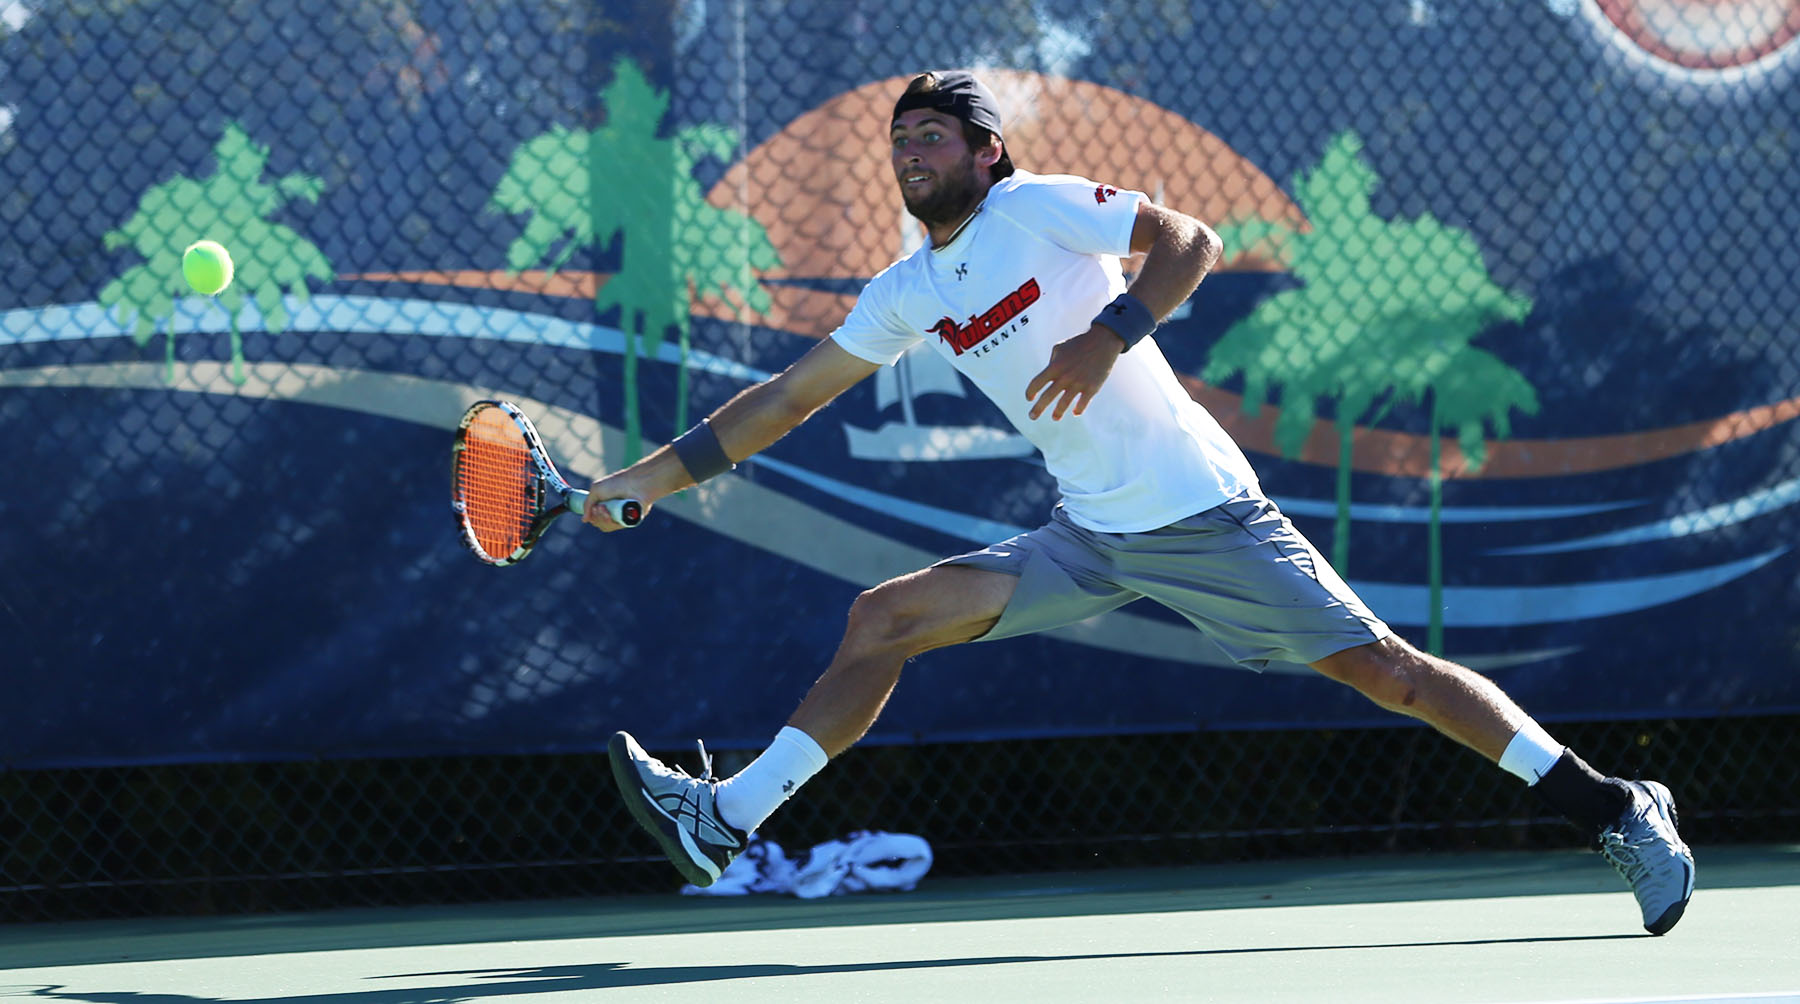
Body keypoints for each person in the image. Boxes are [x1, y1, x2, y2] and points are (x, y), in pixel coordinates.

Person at [581, 70, 1695, 934]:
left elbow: (1190, 241)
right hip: (1093, 532)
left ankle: (1615, 810)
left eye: (932, 135)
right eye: (899, 141)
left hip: (1207, 517)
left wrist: (1111, 331)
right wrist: (641, 482)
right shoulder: (913, 286)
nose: (911, 153)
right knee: (884, 618)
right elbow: (785, 399)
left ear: (987, 149)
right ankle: (723, 820)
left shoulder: (1040, 207)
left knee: (1390, 673)